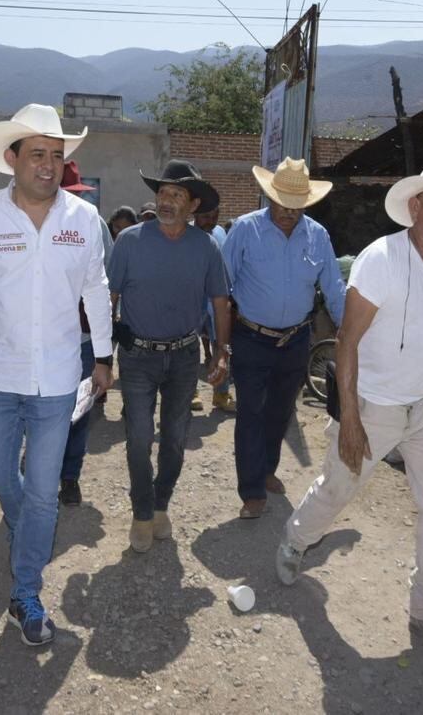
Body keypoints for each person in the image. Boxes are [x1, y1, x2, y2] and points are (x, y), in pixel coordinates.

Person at [275, 157, 423, 663]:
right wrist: (351, 420)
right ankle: (295, 540)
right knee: (339, 487)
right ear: (416, 206)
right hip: (372, 405)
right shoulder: (382, 259)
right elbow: (347, 342)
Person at [0, 104, 113, 647]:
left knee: (42, 492)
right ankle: (28, 536)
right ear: (11, 158)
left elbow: (97, 291)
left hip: (60, 379)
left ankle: (26, 591)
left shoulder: (83, 220)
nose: (49, 165)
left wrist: (104, 357)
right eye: (38, 154)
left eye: (57, 156)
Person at [108, 159, 230, 553]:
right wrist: (103, 352)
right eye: (162, 193)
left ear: (193, 206)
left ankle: (161, 505)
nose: (167, 201)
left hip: (182, 357)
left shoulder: (206, 247)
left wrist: (220, 352)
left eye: (177, 195)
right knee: (139, 438)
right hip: (138, 356)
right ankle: (142, 512)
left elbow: (219, 301)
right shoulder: (130, 242)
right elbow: (108, 296)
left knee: (175, 439)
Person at [223, 158, 346, 518]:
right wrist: (219, 341)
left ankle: (267, 469)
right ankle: (251, 490)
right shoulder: (245, 230)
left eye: (297, 205)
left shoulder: (318, 235)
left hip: (295, 341)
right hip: (251, 338)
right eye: (283, 202)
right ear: (270, 196)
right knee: (250, 413)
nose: (289, 211)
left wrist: (349, 334)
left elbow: (334, 290)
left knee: (279, 412)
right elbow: (220, 285)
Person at [58, 161, 114, 506]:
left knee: (78, 411)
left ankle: (69, 475)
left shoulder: (94, 223)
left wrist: (104, 349)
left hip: (81, 339)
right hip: (38, 341)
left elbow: (104, 281)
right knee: (38, 407)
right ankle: (38, 469)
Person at [193, 206, 234, 412]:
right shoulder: (187, 235)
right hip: (194, 302)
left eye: (214, 216)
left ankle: (221, 394)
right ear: (194, 213)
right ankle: (192, 394)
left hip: (217, 302)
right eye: (205, 216)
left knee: (222, 346)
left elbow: (225, 267)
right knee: (190, 347)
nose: (210, 220)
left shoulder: (220, 233)